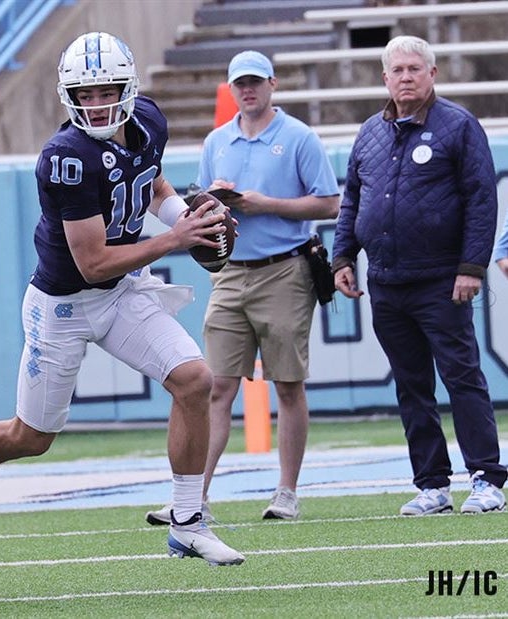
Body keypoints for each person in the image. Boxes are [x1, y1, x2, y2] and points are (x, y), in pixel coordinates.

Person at [0, 31, 245, 565]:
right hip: (63, 304)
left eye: (107, 91)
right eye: (86, 94)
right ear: (70, 97)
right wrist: (176, 239)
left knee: (194, 380)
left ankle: (187, 521)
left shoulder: (149, 120)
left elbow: (150, 185)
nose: (97, 104)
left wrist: (184, 217)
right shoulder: (66, 158)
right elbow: (92, 261)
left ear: (128, 89)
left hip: (120, 294)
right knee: (30, 435)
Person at [145, 50, 339, 525]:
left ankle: (287, 492)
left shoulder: (298, 137)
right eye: (239, 83)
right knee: (215, 385)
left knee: (288, 385)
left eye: (255, 81)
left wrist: (263, 203)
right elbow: (206, 205)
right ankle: (195, 498)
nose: (247, 90)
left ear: (272, 84)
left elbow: (331, 203)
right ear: (230, 89)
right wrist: (214, 201)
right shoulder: (217, 140)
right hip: (231, 272)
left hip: (285, 269)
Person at [333, 36, 505, 516]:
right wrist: (342, 257)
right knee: (411, 385)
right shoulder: (369, 132)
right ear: (384, 78)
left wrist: (471, 268)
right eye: (397, 70)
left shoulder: (459, 126)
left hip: (441, 280)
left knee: (461, 377)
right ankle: (432, 484)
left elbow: (481, 200)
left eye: (414, 68)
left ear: (432, 74)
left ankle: (487, 478)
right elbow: (352, 201)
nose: (406, 77)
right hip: (386, 282)